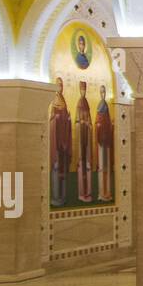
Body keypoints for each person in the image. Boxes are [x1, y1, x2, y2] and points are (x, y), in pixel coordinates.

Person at [49, 77, 72, 207]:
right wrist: (56, 119)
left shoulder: (63, 100)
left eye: (61, 85)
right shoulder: (53, 100)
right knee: (56, 169)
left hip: (64, 142)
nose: (60, 87)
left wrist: (67, 118)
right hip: (56, 142)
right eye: (58, 85)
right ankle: (55, 196)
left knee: (63, 170)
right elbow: (51, 120)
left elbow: (65, 118)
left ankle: (62, 196)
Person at [95, 83, 114, 202]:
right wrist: (98, 126)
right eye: (101, 91)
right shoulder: (98, 107)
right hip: (101, 143)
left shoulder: (106, 106)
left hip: (107, 143)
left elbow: (106, 121)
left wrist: (110, 125)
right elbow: (97, 122)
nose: (103, 94)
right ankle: (102, 193)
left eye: (104, 91)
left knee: (107, 167)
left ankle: (107, 193)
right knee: (102, 168)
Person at [75, 81, 94, 203]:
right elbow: (76, 122)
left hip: (87, 138)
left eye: (84, 89)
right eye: (81, 89)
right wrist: (81, 123)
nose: (83, 91)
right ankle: (82, 192)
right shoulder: (78, 104)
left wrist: (88, 124)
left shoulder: (86, 104)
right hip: (81, 137)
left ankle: (88, 192)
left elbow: (90, 122)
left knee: (87, 165)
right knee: (82, 165)